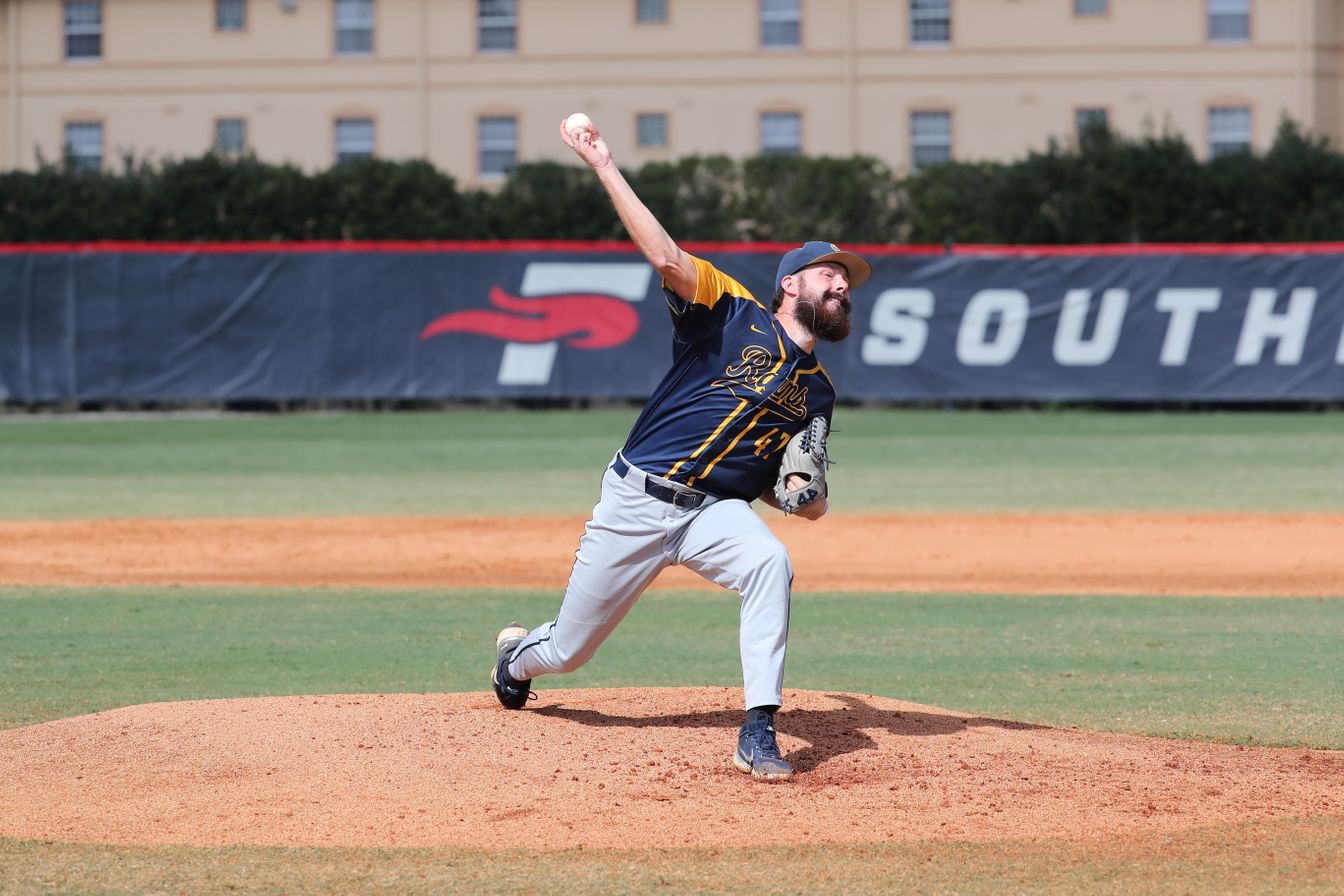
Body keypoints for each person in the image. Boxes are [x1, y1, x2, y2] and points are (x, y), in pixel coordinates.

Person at [491, 114, 871, 782]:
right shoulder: (730, 311)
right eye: (829, 274)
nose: (842, 286)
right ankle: (515, 659)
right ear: (791, 284)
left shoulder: (819, 393)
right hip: (637, 499)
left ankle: (757, 731)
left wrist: (801, 499)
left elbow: (789, 488)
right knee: (570, 651)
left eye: (847, 283)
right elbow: (666, 258)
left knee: (769, 565)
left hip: (711, 515)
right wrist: (604, 164)